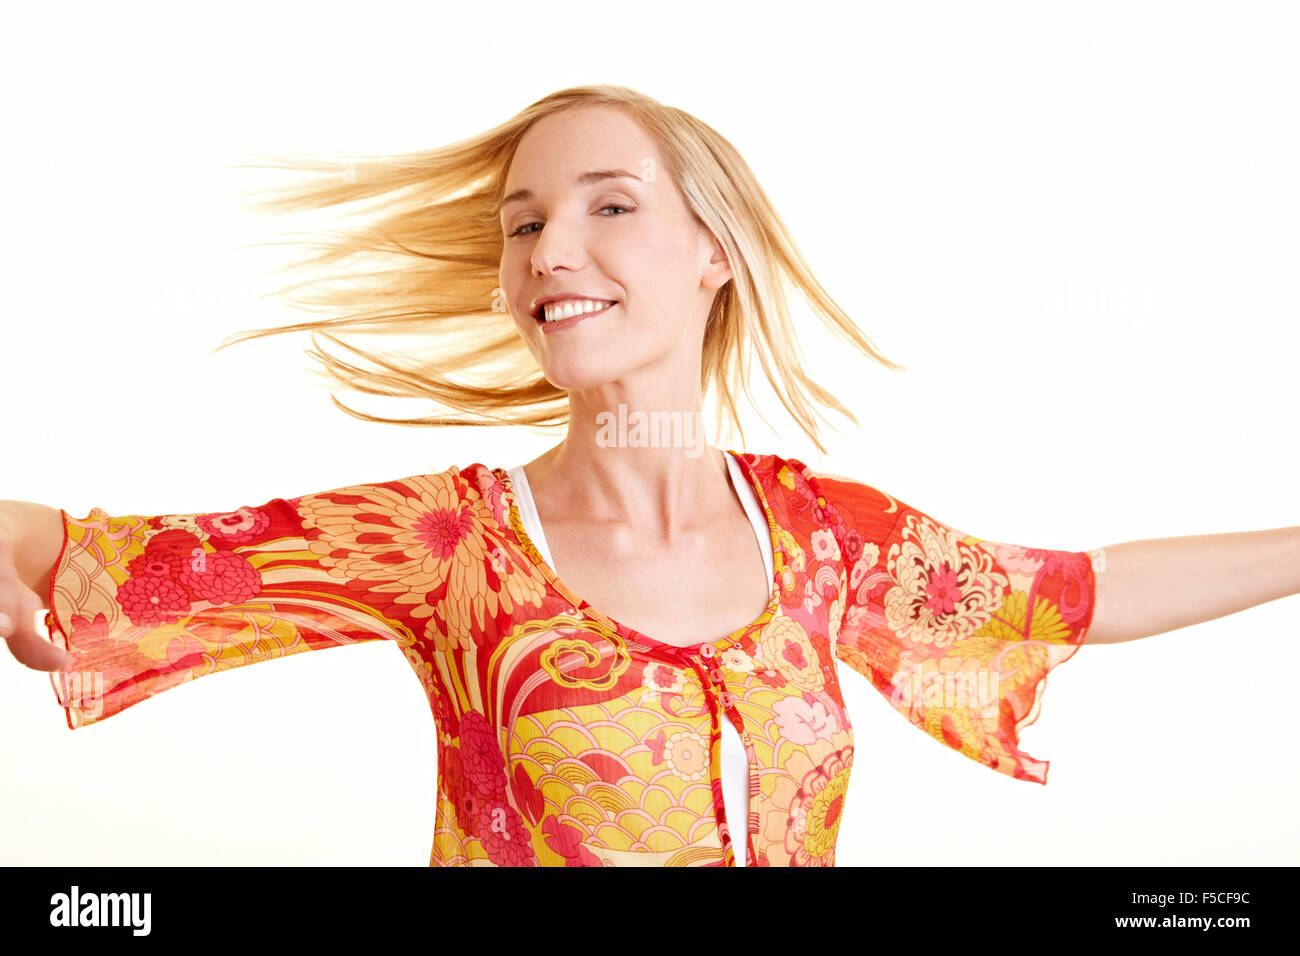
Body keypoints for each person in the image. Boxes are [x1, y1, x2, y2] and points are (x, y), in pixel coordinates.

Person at [2, 84, 1297, 866]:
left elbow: (1083, 588)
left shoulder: (816, 536)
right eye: (523, 224)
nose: (551, 247)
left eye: (609, 205)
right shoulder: (452, 539)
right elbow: (78, 551)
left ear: (712, 252)